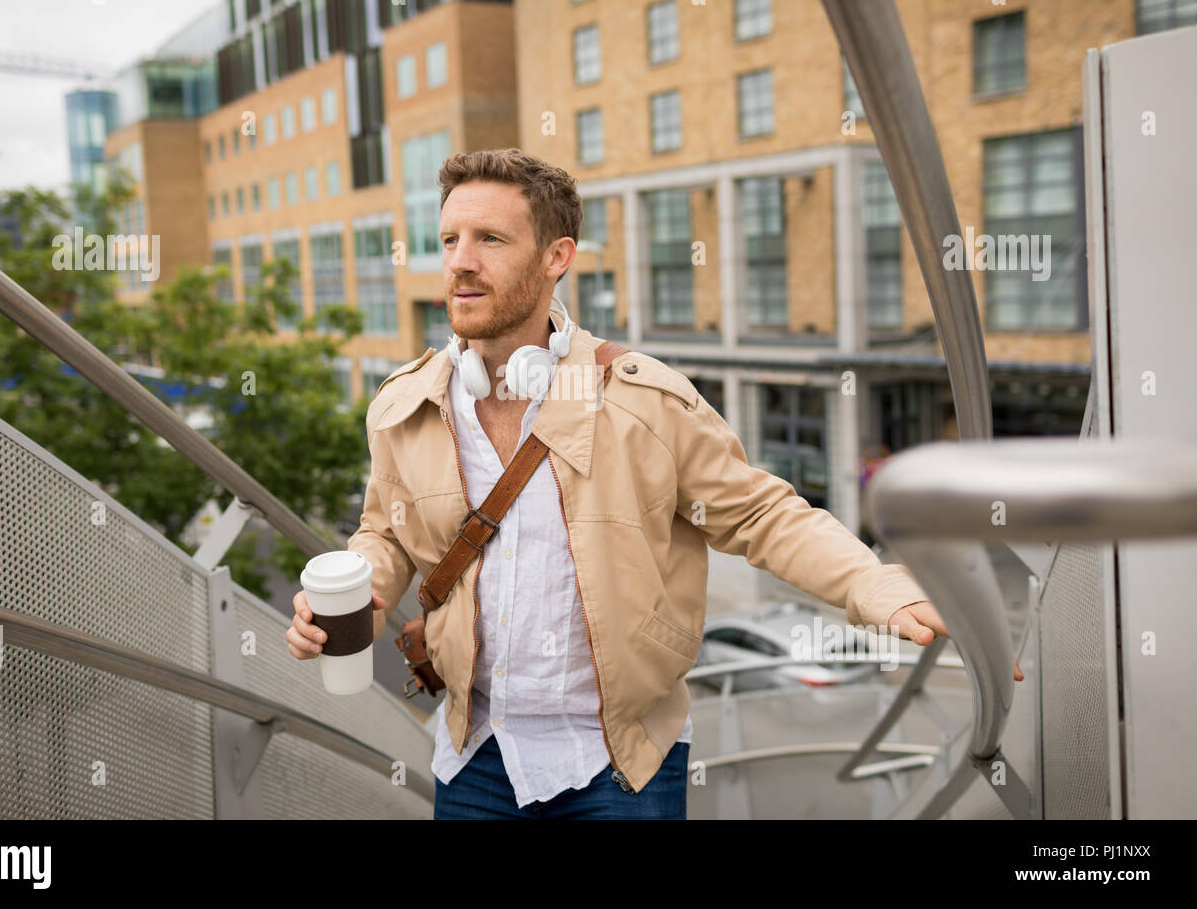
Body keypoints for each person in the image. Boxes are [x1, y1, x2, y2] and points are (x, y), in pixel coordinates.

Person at [287, 148, 1022, 819]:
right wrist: (365, 594)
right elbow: (383, 531)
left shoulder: (645, 399)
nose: (460, 263)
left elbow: (762, 515)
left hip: (621, 765)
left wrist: (877, 585)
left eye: (490, 240)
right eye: (449, 240)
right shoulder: (403, 404)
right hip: (475, 757)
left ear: (556, 257)